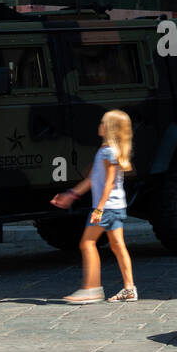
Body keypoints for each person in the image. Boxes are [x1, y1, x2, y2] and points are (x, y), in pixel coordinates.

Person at [50, 109, 137, 303]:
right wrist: (70, 195)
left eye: (103, 123)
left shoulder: (107, 152)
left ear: (110, 129)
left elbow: (108, 184)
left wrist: (98, 209)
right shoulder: (107, 151)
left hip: (106, 208)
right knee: (117, 246)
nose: (99, 125)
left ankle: (92, 288)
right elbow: (91, 180)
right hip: (115, 206)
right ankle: (129, 288)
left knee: (87, 243)